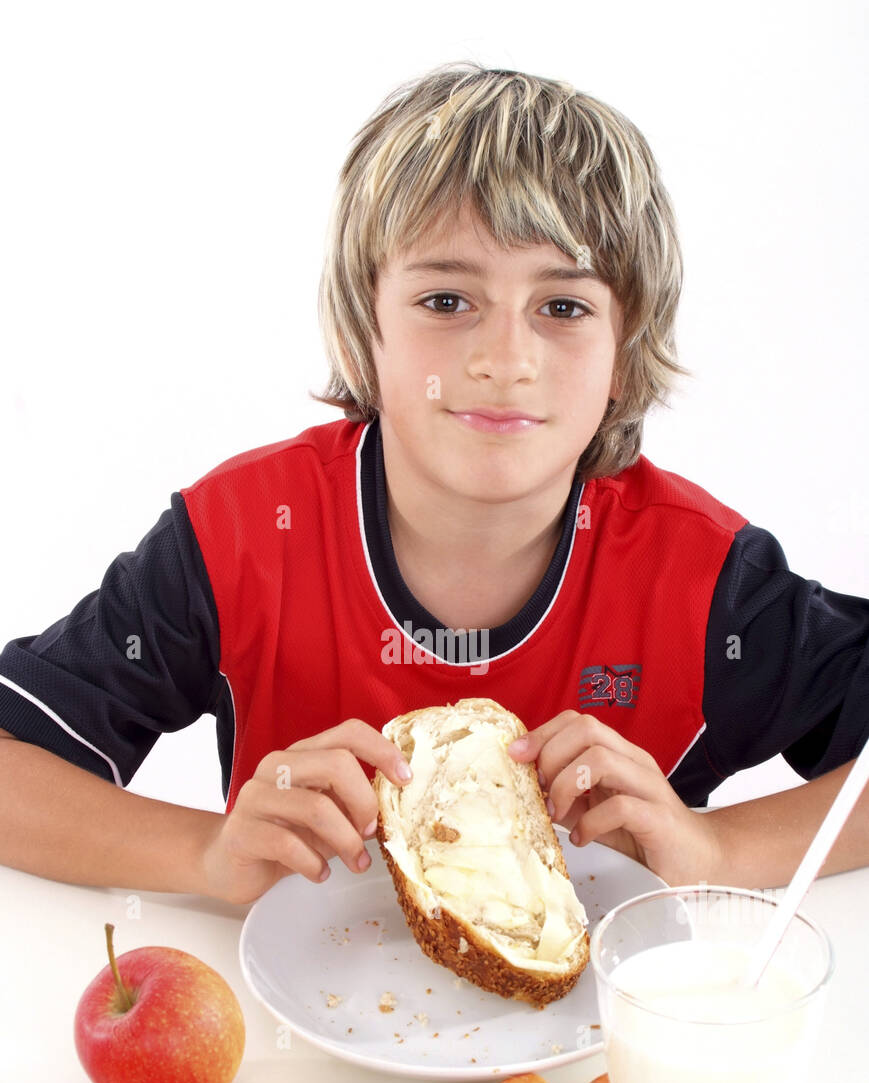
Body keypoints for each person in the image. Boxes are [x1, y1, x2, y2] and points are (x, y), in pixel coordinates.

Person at [0, 62, 866, 905]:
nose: (503, 362)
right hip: (289, 1039)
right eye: (447, 301)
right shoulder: (241, 539)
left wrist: (716, 849)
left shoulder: (704, 582)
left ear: (622, 347)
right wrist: (201, 853)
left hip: (610, 1042)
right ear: (362, 324)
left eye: (562, 307)